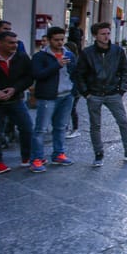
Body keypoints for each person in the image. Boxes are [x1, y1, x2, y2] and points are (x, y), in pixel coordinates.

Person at [75, 22, 127, 166]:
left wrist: (121, 90)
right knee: (95, 125)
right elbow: (79, 75)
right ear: (95, 36)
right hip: (94, 94)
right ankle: (98, 154)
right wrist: (86, 93)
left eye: (108, 33)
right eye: (103, 34)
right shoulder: (87, 53)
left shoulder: (117, 51)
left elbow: (125, 71)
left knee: (123, 122)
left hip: (113, 93)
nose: (106, 37)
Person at [28, 26, 76, 172]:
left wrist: (75, 89)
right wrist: (57, 65)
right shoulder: (40, 56)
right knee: (41, 129)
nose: (60, 43)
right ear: (49, 40)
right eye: (56, 40)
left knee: (61, 127)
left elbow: (75, 72)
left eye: (62, 39)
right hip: (48, 97)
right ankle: (36, 159)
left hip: (66, 95)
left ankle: (58, 153)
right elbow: (37, 75)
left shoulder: (69, 54)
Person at [0, 31, 34, 173]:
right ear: (0, 43)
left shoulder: (21, 57)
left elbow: (29, 77)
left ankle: (27, 157)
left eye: (15, 42)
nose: (14, 45)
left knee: (27, 127)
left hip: (15, 99)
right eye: (10, 43)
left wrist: (15, 89)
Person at [64, 42, 82, 139]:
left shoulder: (74, 61)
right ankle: (66, 128)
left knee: (72, 109)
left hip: (74, 89)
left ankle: (75, 129)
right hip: (71, 88)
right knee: (68, 109)